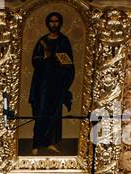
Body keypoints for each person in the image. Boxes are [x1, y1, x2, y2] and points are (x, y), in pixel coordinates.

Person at [29, 11, 75, 153]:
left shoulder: (64, 41)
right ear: (47, 23)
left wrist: (56, 58)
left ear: (60, 23)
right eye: (51, 21)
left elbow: (68, 63)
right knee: (41, 112)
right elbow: (35, 61)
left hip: (57, 83)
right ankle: (36, 144)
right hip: (42, 83)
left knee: (54, 114)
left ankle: (50, 142)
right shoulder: (42, 41)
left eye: (56, 21)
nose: (54, 24)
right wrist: (46, 58)